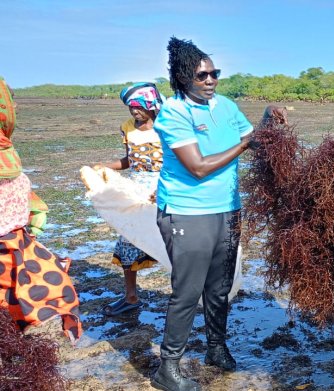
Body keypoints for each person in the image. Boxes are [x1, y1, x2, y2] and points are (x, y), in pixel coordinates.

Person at [150, 37, 254, 391]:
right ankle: (169, 367)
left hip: (228, 209)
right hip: (186, 211)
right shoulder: (173, 113)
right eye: (201, 75)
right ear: (183, 78)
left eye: (214, 73)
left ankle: (216, 348)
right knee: (187, 292)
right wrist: (242, 146)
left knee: (219, 288)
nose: (210, 80)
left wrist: (270, 123)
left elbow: (253, 136)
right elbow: (197, 167)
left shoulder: (226, 105)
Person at [0, 78, 83, 342]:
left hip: (16, 246)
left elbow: (17, 182)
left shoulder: (6, 150)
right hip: (6, 250)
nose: (16, 108)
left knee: (46, 294)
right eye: (11, 102)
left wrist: (34, 208)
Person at [93, 82, 164, 316]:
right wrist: (105, 166)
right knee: (127, 240)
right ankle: (131, 297)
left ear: (151, 104)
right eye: (130, 107)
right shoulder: (127, 128)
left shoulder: (167, 126)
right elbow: (129, 160)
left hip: (164, 189)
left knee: (175, 243)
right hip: (136, 192)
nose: (134, 112)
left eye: (138, 106)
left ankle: (192, 296)